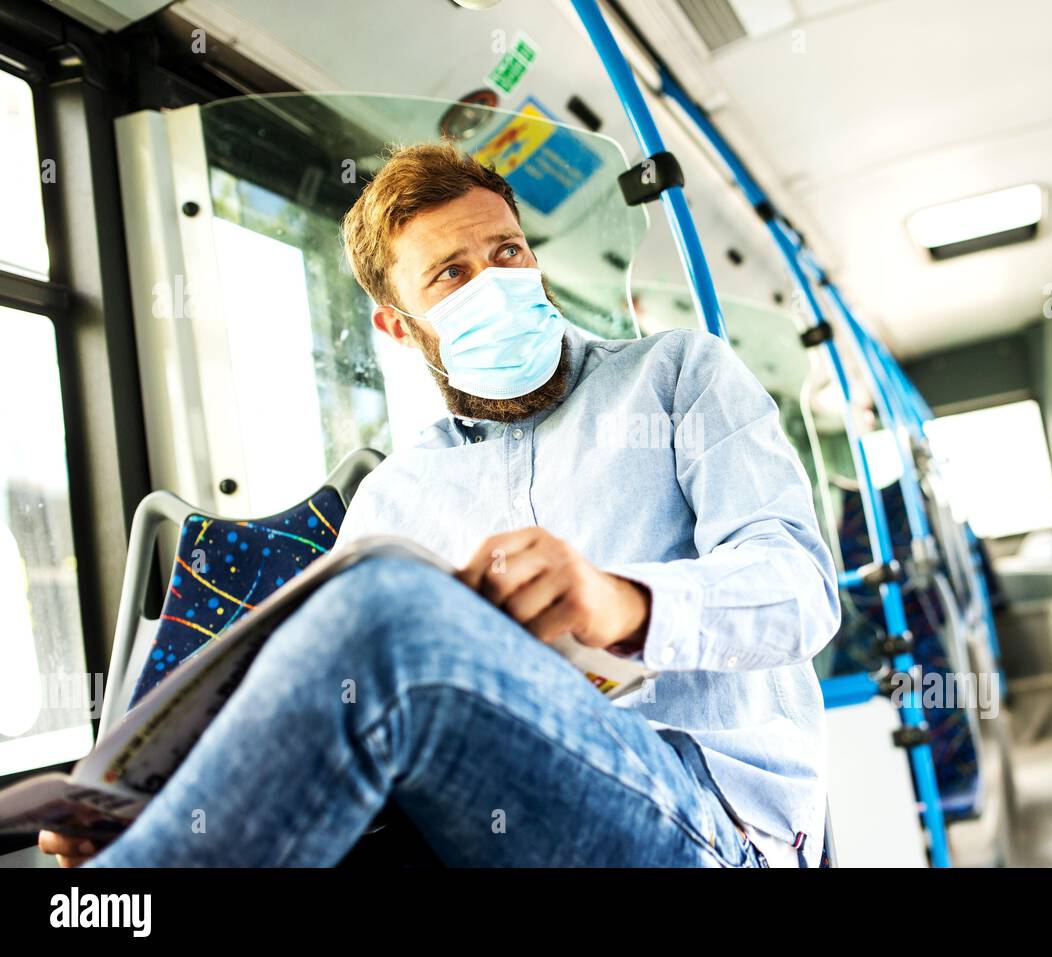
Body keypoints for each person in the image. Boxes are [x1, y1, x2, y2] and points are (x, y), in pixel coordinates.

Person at [44, 143, 839, 868]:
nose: (494, 280)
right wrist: (161, 811)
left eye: (507, 251)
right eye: (451, 274)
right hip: (483, 820)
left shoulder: (677, 378)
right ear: (397, 324)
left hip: (713, 818)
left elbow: (800, 588)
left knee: (386, 610)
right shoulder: (396, 496)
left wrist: (623, 602)